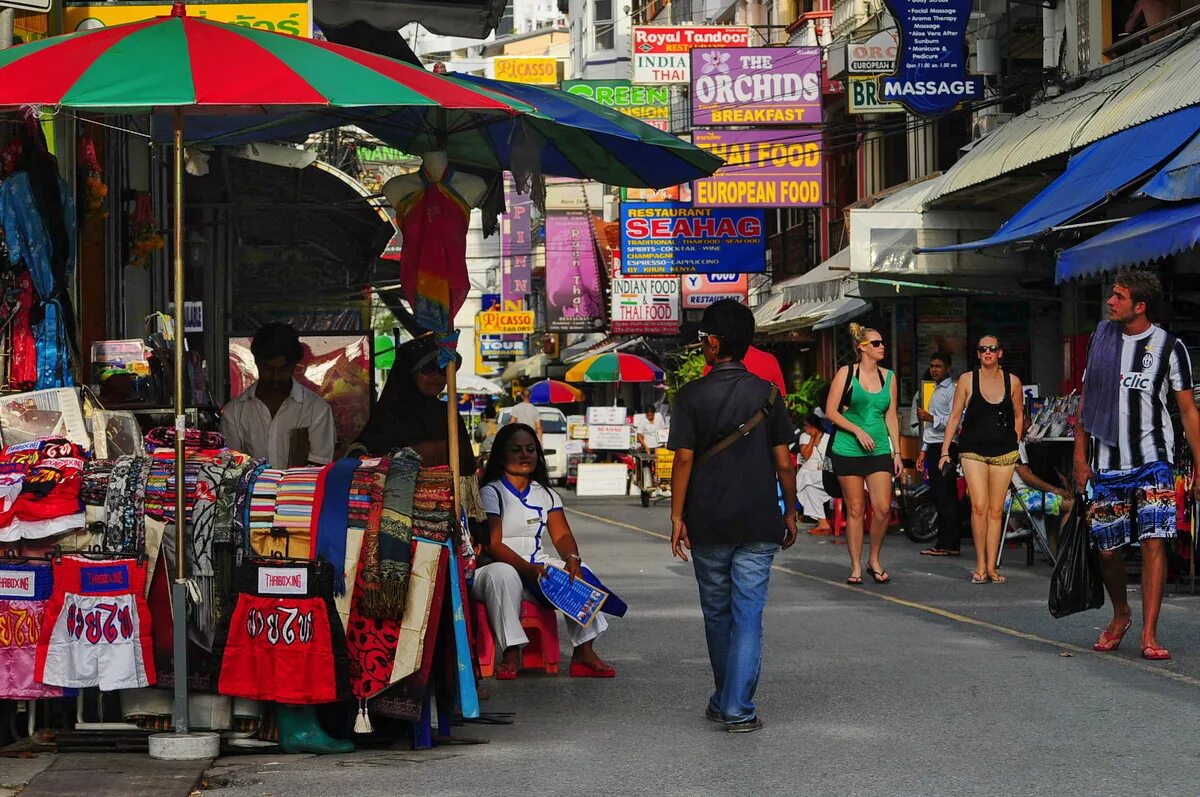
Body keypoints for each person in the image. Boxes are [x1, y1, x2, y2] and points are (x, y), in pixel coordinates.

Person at [669, 299, 797, 733]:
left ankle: (728, 699)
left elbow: (683, 461)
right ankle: (736, 706)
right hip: (760, 517)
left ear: (715, 343)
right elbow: (785, 462)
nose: (702, 344)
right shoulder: (769, 393)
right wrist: (792, 510)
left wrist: (675, 517)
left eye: (705, 337)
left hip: (708, 520)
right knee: (748, 615)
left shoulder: (689, 396)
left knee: (718, 614)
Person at [1074, 271, 1200, 661]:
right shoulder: (1102, 342)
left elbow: (1187, 411)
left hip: (1153, 462)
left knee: (1153, 543)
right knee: (1108, 551)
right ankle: (1121, 613)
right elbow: (1086, 404)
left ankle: (1149, 634)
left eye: (1118, 296)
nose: (1110, 302)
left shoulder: (1169, 348)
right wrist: (1080, 457)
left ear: (1139, 306)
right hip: (1108, 463)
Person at [471, 423, 620, 679]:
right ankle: (511, 651)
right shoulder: (490, 491)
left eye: (530, 449)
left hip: (535, 569)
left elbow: (562, 535)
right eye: (516, 449)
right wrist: (528, 570)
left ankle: (584, 652)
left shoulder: (547, 494)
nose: (524, 455)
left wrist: (572, 560)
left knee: (581, 573)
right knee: (504, 574)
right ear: (501, 454)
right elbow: (494, 544)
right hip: (493, 569)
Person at [940, 335, 1024, 585]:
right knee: (979, 505)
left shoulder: (1013, 382)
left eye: (992, 349)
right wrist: (945, 449)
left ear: (1000, 353)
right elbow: (954, 417)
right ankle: (979, 565)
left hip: (1004, 451)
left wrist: (1015, 442)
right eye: (983, 349)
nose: (987, 352)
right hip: (972, 450)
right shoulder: (967, 380)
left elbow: (1019, 415)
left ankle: (992, 566)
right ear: (977, 354)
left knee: (996, 510)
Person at [825, 322, 902, 586]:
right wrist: (857, 431)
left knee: (881, 508)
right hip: (848, 448)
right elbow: (831, 412)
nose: (882, 347)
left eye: (882, 343)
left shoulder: (889, 377)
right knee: (856, 509)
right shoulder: (846, 373)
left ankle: (875, 559)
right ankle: (856, 565)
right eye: (876, 343)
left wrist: (897, 452)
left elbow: (891, 415)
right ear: (862, 348)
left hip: (879, 448)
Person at [221, 322, 336, 468]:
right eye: (268, 368)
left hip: (301, 490)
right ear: (257, 362)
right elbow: (232, 468)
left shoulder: (317, 409)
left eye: (283, 369)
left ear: (295, 365)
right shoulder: (234, 412)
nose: (275, 376)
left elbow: (320, 465)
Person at [355, 334, 475, 472]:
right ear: (409, 374)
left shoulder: (447, 413)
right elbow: (363, 457)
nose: (437, 376)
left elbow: (466, 468)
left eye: (443, 369)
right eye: (428, 368)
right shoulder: (388, 414)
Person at [916, 352, 960, 557]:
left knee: (946, 496)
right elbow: (930, 430)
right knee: (939, 495)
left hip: (946, 447)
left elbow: (955, 420)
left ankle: (948, 544)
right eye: (932, 366)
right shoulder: (933, 390)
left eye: (938, 366)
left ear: (948, 367)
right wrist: (923, 451)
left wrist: (931, 417)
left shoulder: (952, 391)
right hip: (933, 446)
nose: (934, 369)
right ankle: (945, 542)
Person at [1008, 433, 1075, 531]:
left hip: (1008, 498)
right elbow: (1026, 477)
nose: (1031, 423)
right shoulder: (1015, 443)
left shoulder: (1006, 441)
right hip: (1020, 498)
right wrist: (1054, 489)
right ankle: (1064, 545)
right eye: (1027, 419)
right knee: (1072, 504)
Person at [795, 413, 831, 533]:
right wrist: (812, 439)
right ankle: (823, 522)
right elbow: (806, 455)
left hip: (823, 472)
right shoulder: (804, 437)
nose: (804, 428)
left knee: (810, 484)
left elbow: (830, 458)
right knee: (808, 484)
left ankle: (822, 522)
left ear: (814, 426)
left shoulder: (828, 438)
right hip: (808, 471)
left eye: (806, 426)